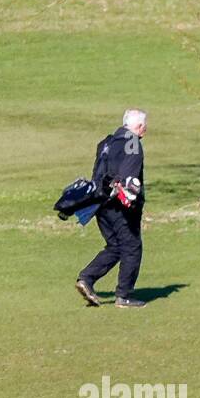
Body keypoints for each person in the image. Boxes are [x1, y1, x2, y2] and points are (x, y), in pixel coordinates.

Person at [75, 109, 147, 308]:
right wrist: (131, 198)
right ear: (139, 127)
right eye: (145, 126)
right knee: (132, 248)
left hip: (99, 203)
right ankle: (124, 296)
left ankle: (86, 278)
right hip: (120, 206)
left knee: (115, 246)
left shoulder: (106, 142)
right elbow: (129, 176)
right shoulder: (132, 143)